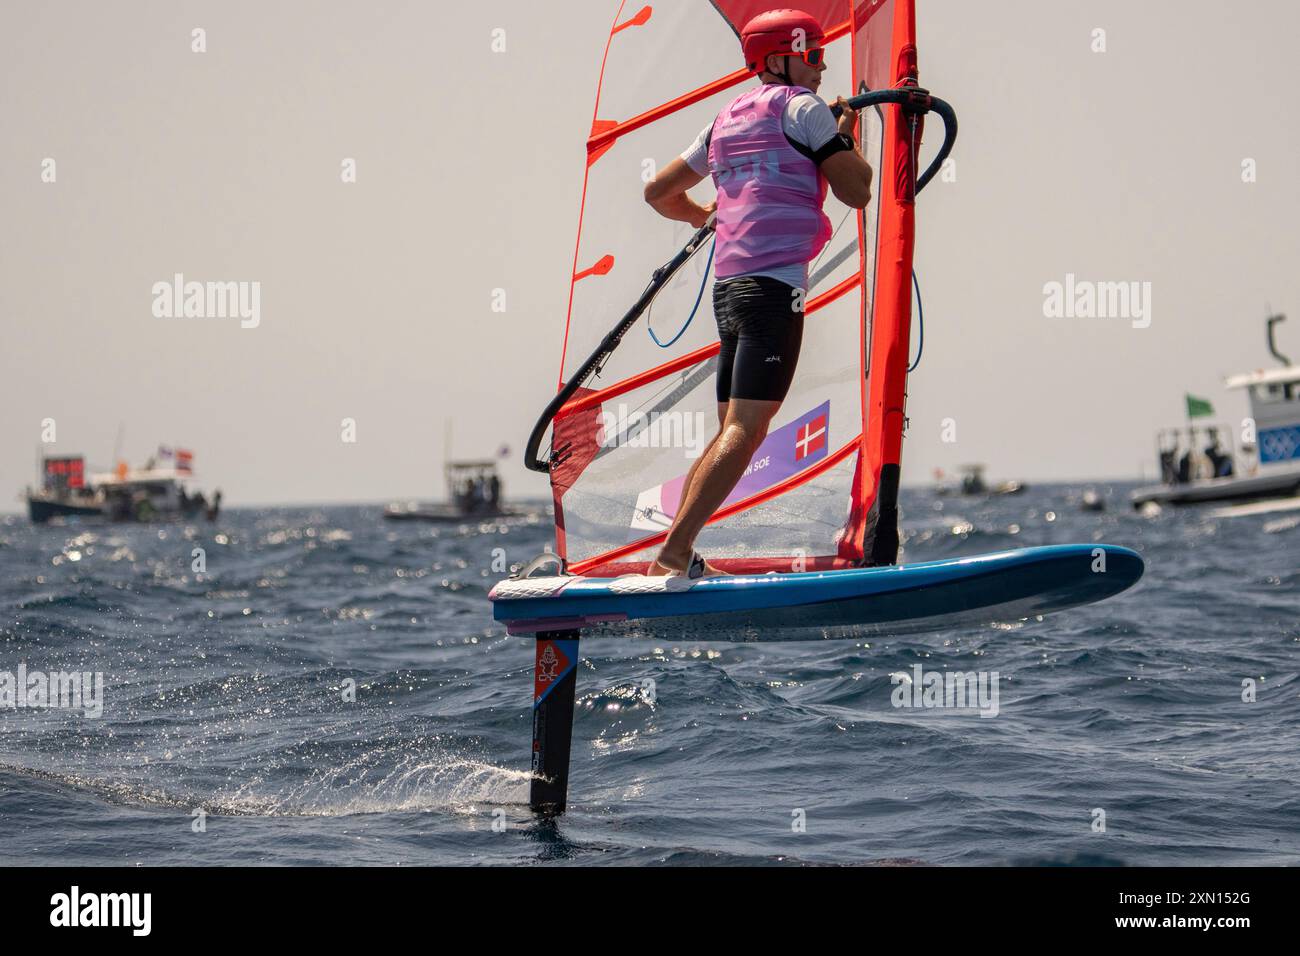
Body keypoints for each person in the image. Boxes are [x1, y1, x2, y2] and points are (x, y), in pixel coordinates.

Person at [641, 8, 874, 577]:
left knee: (732, 428)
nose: (822, 66)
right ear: (779, 60)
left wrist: (703, 216)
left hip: (730, 289)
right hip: (773, 290)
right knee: (747, 430)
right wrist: (843, 135)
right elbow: (858, 190)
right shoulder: (804, 108)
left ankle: (676, 552)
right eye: (813, 54)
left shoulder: (724, 119)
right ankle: (673, 554)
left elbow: (658, 191)